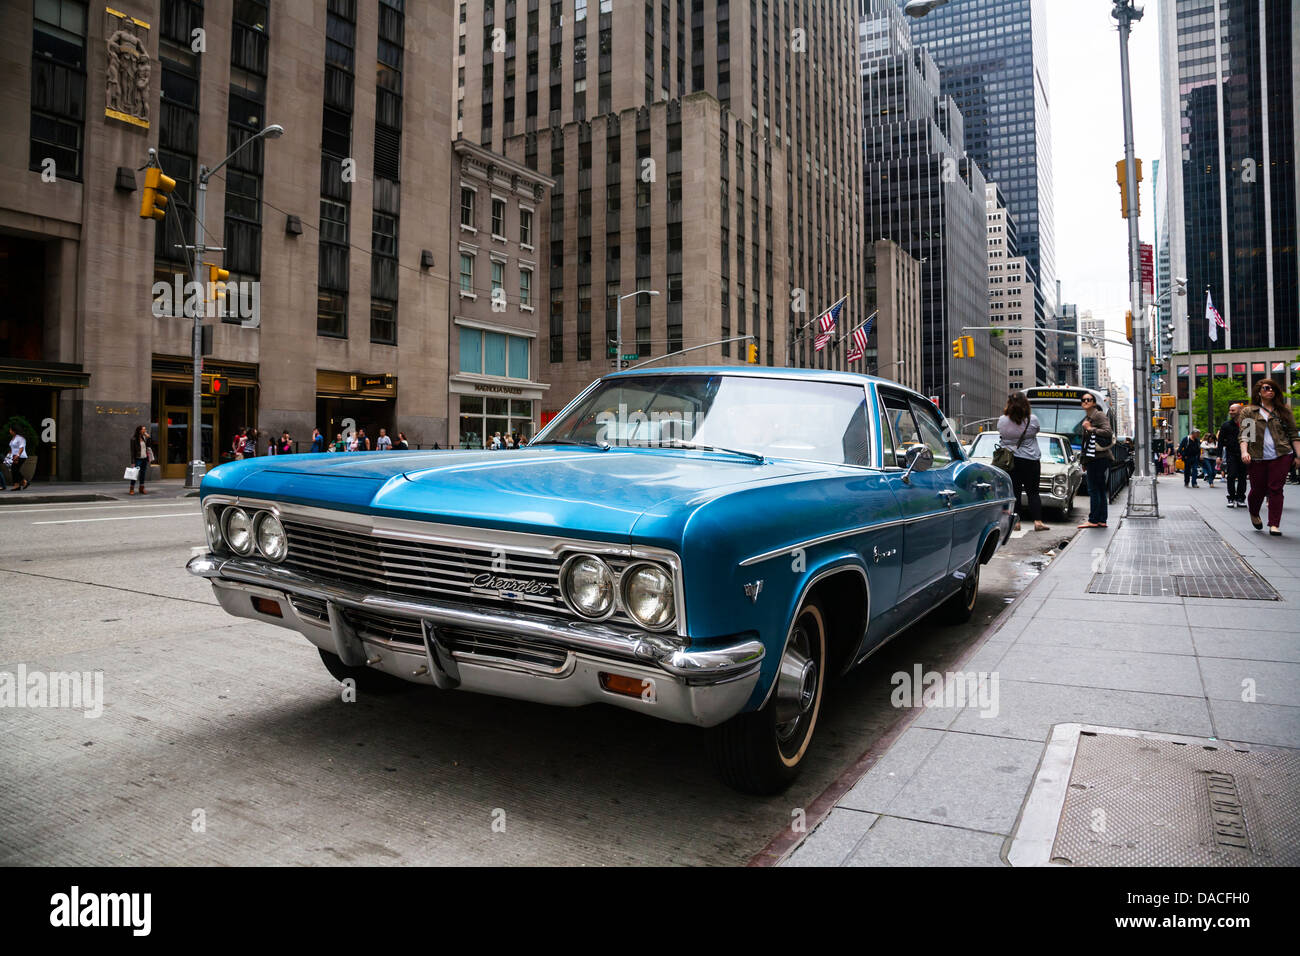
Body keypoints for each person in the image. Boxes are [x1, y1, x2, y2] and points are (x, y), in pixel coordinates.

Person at [1239, 378, 1300, 536]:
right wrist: (1244, 452)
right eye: (1266, 388)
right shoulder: (1249, 412)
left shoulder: (1283, 411)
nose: (1270, 391)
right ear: (1259, 392)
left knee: (1276, 489)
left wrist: (1298, 456)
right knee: (1257, 489)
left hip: (1281, 454)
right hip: (1257, 456)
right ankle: (1254, 512)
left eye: (1273, 388)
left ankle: (1274, 524)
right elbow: (1245, 435)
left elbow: (1294, 435)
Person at [997, 392, 1048, 533]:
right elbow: (1036, 431)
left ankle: (1017, 522)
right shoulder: (1033, 420)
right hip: (1031, 460)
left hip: (1011, 461)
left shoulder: (1002, 420)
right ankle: (1038, 521)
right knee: (1033, 492)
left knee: (1015, 492)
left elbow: (1002, 435)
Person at [1078, 391, 1114, 528]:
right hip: (1093, 458)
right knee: (1099, 489)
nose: (1085, 402)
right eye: (1083, 400)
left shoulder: (1098, 415)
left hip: (1099, 458)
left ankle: (1093, 520)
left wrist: (1090, 429)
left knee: (1094, 489)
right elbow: (1085, 443)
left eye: (1089, 400)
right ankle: (1101, 520)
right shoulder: (1088, 417)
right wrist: (1084, 461)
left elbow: (1108, 432)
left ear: (1094, 403)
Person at [1218, 404, 1246, 507]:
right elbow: (1220, 441)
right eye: (1230, 410)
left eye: (1233, 410)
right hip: (1231, 454)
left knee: (1242, 476)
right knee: (1231, 475)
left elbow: (1252, 439)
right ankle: (1231, 498)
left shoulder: (1247, 424)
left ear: (1240, 411)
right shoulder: (1226, 425)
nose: (1230, 412)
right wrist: (1219, 456)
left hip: (1244, 454)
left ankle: (1240, 498)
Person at [127, 424, 151, 495]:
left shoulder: (144, 438)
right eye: (144, 429)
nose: (145, 430)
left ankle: (141, 488)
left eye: (145, 429)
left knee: (142, 474)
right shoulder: (133, 439)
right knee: (135, 474)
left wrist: (148, 438)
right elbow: (132, 451)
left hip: (144, 459)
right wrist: (133, 462)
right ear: (140, 430)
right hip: (138, 459)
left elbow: (149, 446)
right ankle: (131, 488)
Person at [5, 424, 30, 491]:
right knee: (14, 470)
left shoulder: (20, 438)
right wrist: (8, 455)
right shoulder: (14, 438)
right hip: (14, 456)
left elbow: (21, 447)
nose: (9, 431)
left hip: (21, 456)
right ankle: (18, 485)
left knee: (14, 469)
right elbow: (12, 448)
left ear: (14, 431)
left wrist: (18, 455)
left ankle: (22, 482)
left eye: (10, 430)